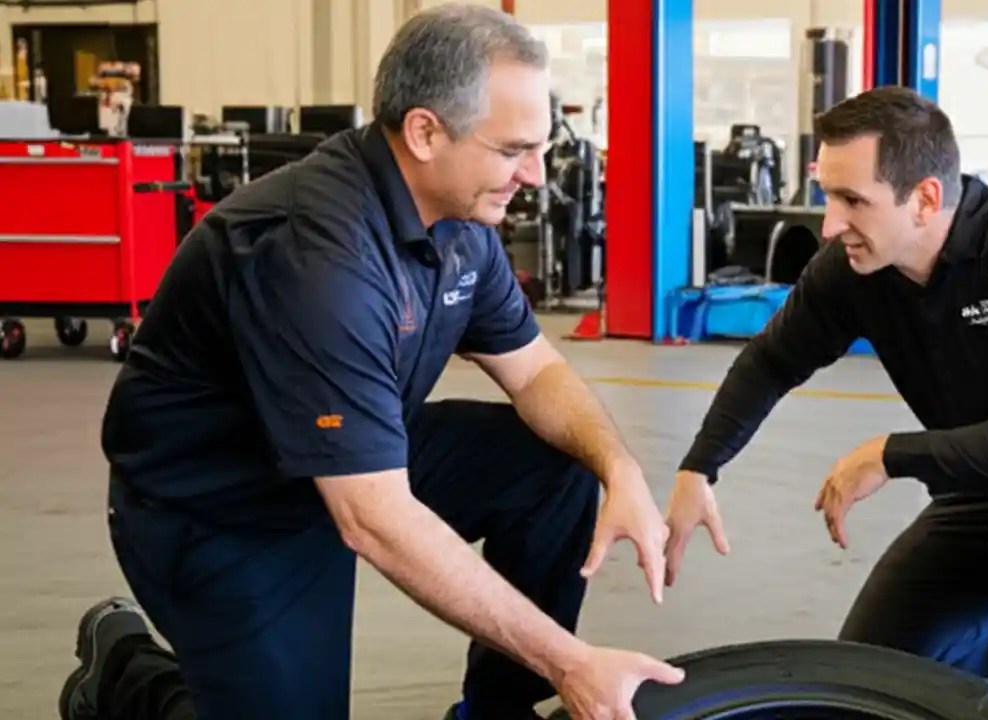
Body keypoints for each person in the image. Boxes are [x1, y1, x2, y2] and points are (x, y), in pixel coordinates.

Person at [57, 6, 684, 720]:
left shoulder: (461, 221)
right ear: (424, 133)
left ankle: (496, 715)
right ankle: (124, 673)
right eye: (514, 150)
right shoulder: (318, 257)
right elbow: (374, 518)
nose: (535, 176)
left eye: (539, 148)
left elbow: (536, 371)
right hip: (221, 504)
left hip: (349, 457)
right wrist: (570, 663)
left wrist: (619, 469)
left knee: (555, 465)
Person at [661, 86, 988, 720]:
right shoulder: (852, 268)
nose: (830, 224)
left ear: (926, 199)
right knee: (867, 677)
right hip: (980, 497)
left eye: (854, 200)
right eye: (828, 196)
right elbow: (771, 361)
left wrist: (892, 454)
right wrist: (699, 468)